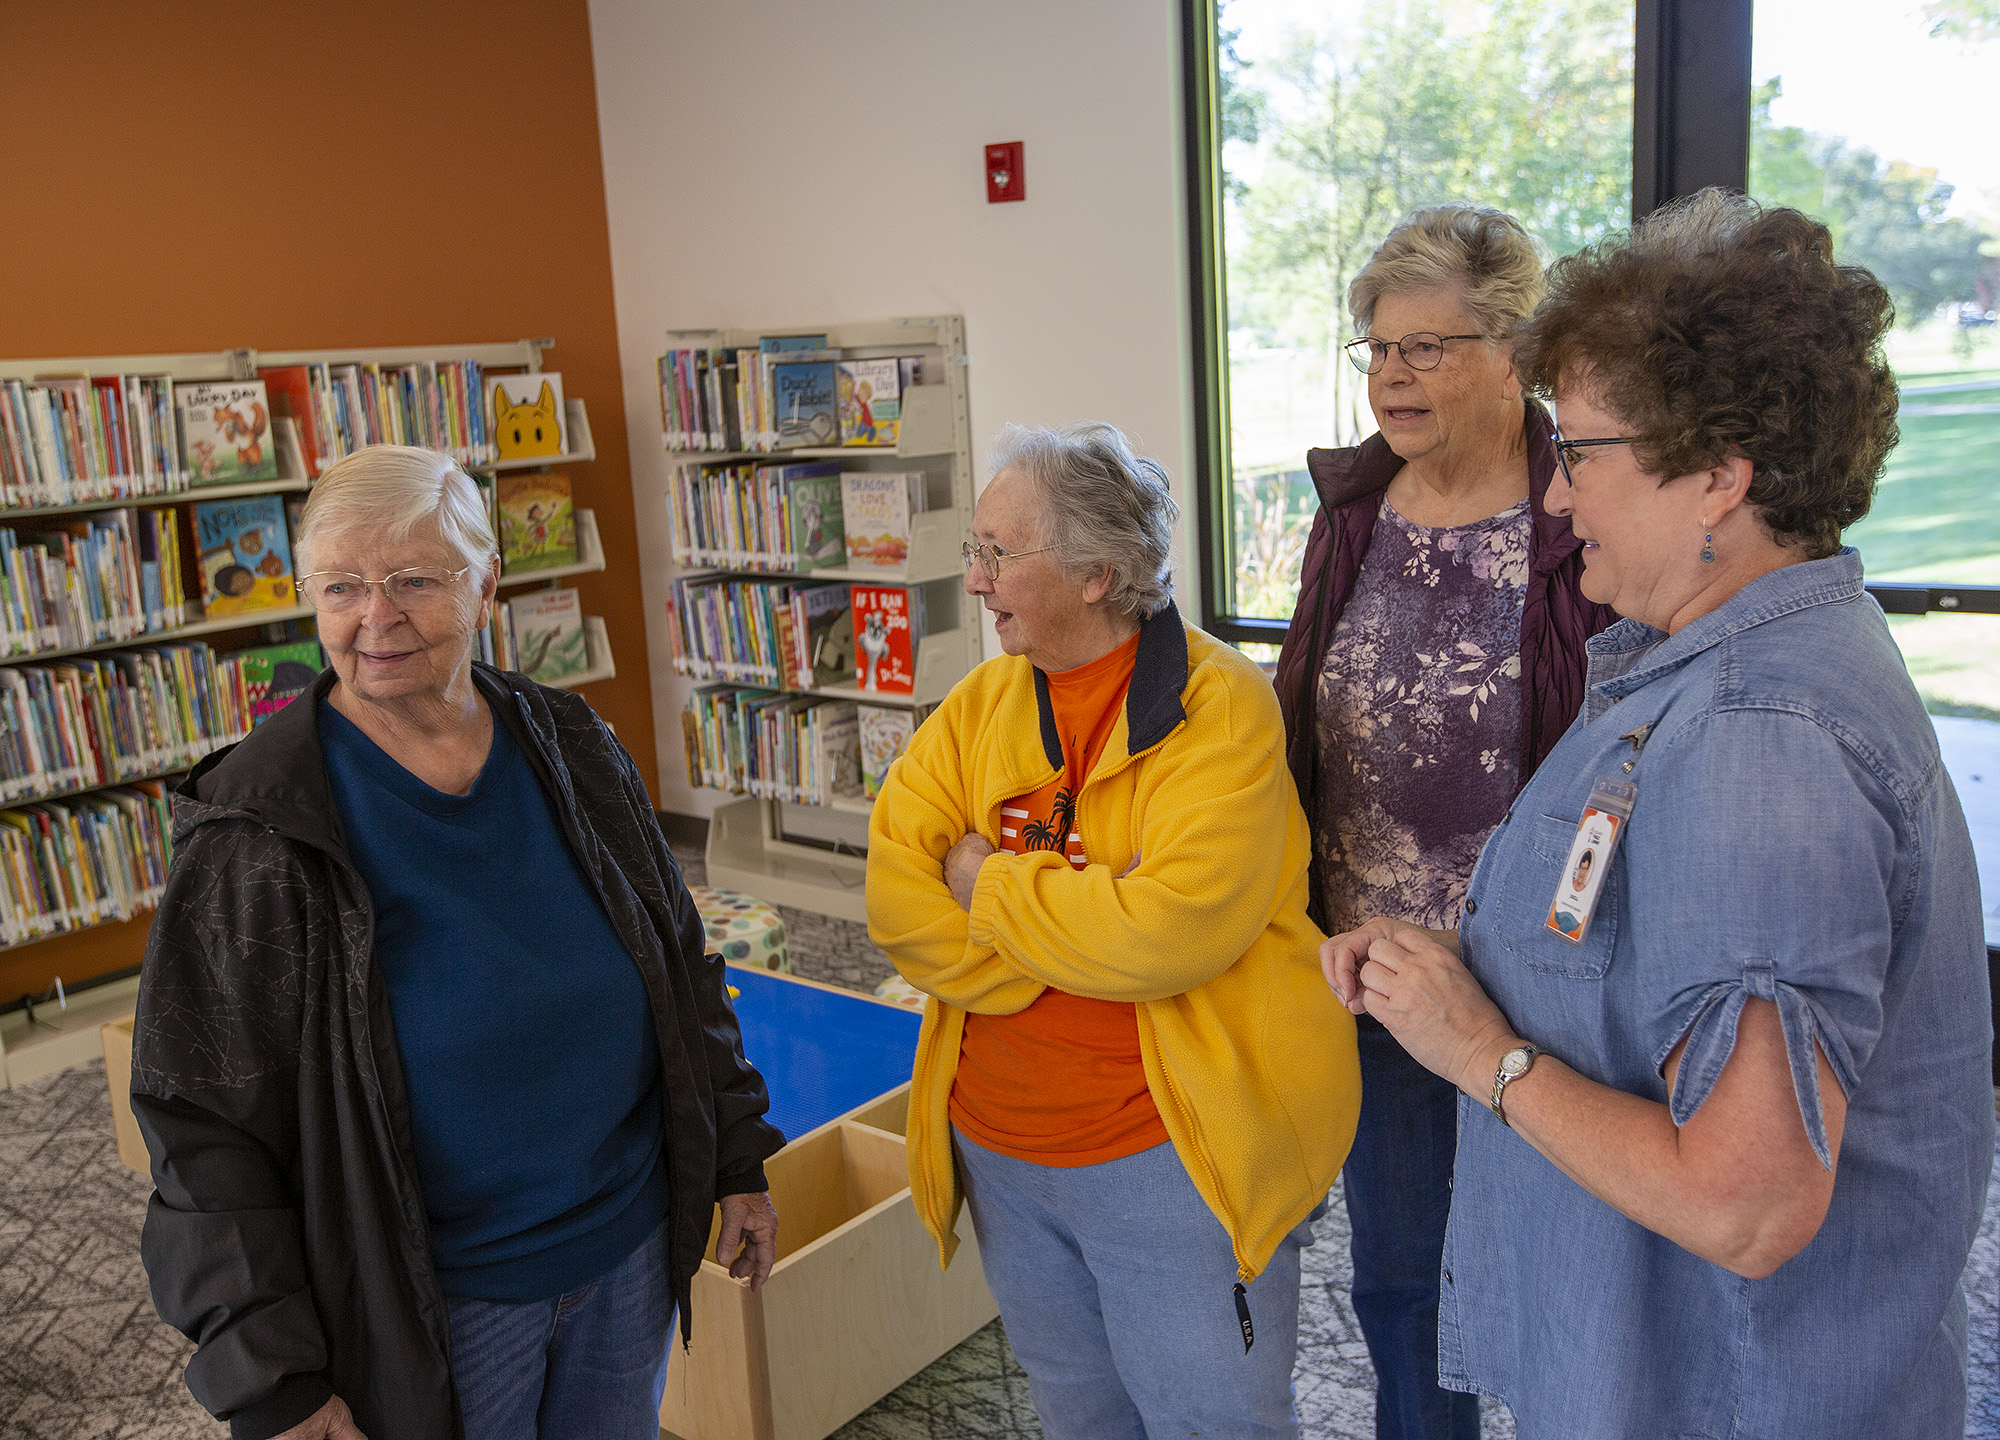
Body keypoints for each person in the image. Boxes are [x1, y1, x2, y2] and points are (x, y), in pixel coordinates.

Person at [1323, 191, 1996, 1439]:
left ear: (1717, 480)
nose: (1560, 497)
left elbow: (1743, 1206)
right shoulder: (1725, 661)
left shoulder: (1758, 744)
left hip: (1733, 1391)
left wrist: (1476, 1048)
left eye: (1579, 453)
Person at [132, 445, 785, 1440]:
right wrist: (271, 1377)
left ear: (486, 587)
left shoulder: (572, 747)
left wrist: (734, 1157)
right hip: (432, 1303)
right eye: (341, 586)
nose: (373, 617)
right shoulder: (257, 827)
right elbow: (202, 1127)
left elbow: (678, 964)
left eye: (412, 581)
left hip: (623, 1250)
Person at [868, 423, 1361, 1440]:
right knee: (1078, 1413)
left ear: (1095, 572)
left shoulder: (1218, 708)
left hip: (1168, 1158)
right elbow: (895, 902)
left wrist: (986, 882)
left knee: (1210, 1422)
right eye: (976, 549)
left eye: (1000, 554)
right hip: (998, 1149)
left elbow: (1164, 936)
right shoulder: (977, 705)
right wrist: (1068, 932)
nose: (974, 579)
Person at [1270, 202, 1615, 1440]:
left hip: (1541, 980)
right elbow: (1307, 697)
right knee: (1400, 1278)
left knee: (1574, 1282)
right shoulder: (1354, 506)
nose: (1390, 375)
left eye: (1424, 346)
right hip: (1378, 974)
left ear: (1512, 349)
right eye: (1374, 347)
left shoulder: (1580, 505)